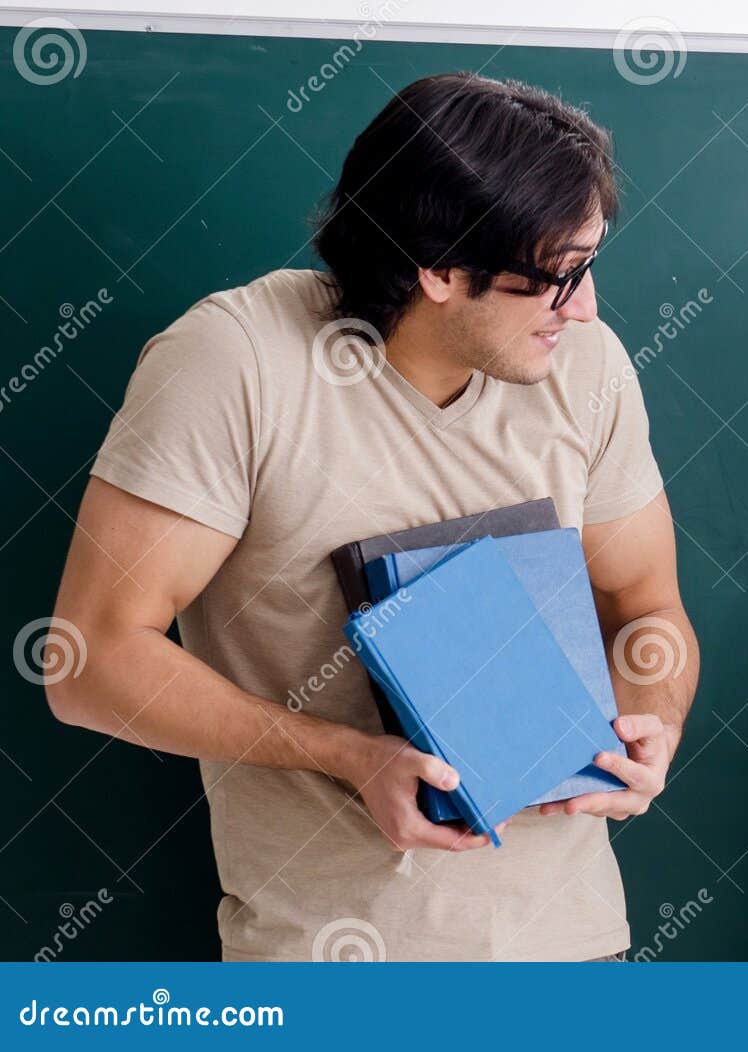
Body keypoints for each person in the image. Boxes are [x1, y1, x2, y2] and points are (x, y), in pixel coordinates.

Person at [46, 72, 698, 961]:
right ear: (436, 268)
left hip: (573, 949)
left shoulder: (588, 365)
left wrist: (651, 727)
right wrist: (348, 755)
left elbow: (648, 610)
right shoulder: (235, 363)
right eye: (556, 276)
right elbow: (89, 663)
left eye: (590, 263)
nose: (584, 306)